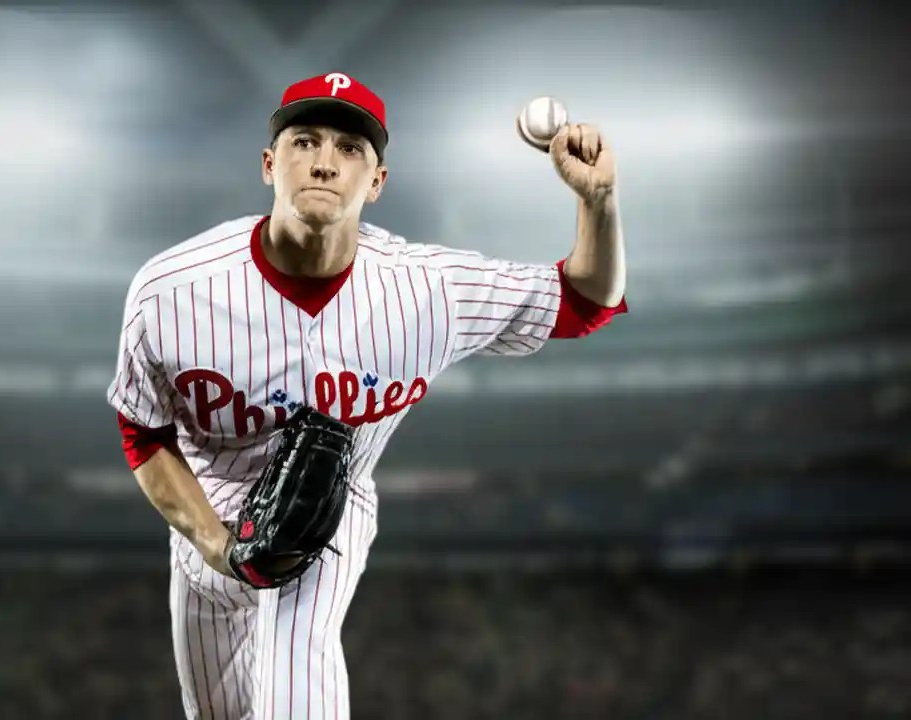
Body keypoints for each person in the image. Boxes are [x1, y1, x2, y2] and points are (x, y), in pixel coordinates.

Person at [106, 71, 627, 719]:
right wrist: (216, 543)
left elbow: (585, 301)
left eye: (351, 149)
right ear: (270, 164)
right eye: (305, 142)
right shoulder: (171, 289)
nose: (325, 162)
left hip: (329, 507)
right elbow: (144, 434)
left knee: (297, 684)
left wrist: (599, 201)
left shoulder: (428, 291)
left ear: (376, 183)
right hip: (203, 525)